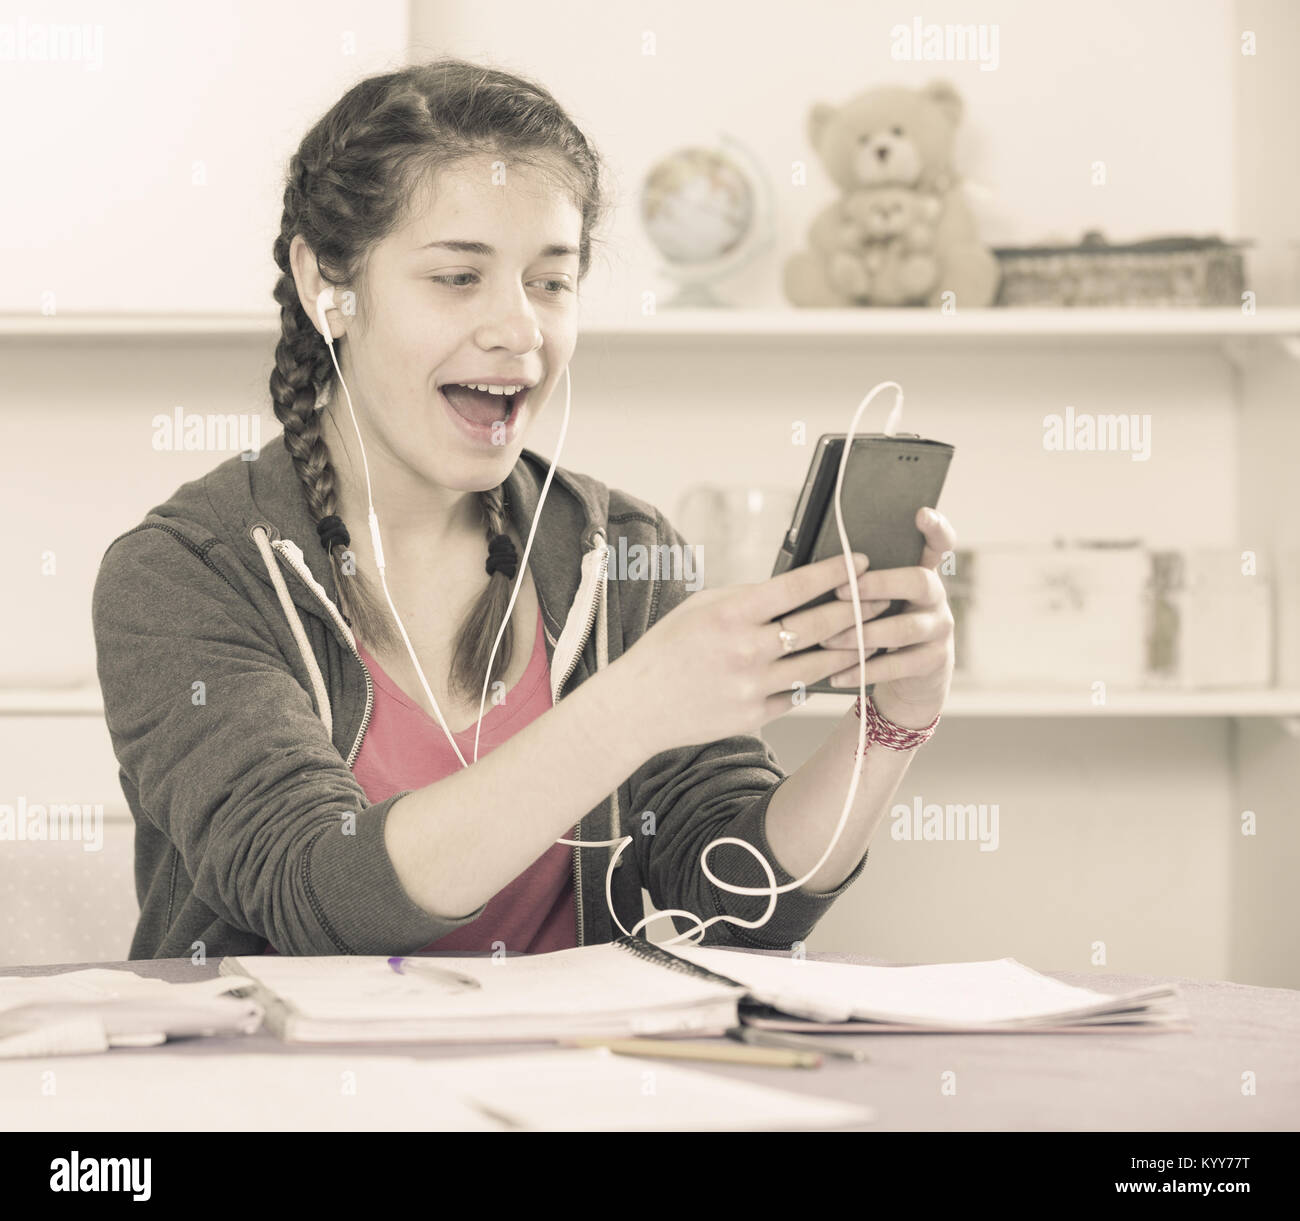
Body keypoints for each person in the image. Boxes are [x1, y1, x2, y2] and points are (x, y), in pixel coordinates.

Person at [91, 58, 956, 960]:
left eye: (551, 281)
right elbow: (317, 892)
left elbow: (738, 897)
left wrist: (889, 727)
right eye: (458, 278)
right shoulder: (185, 571)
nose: (520, 330)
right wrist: (631, 709)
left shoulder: (617, 549)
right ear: (327, 287)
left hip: (559, 1086)